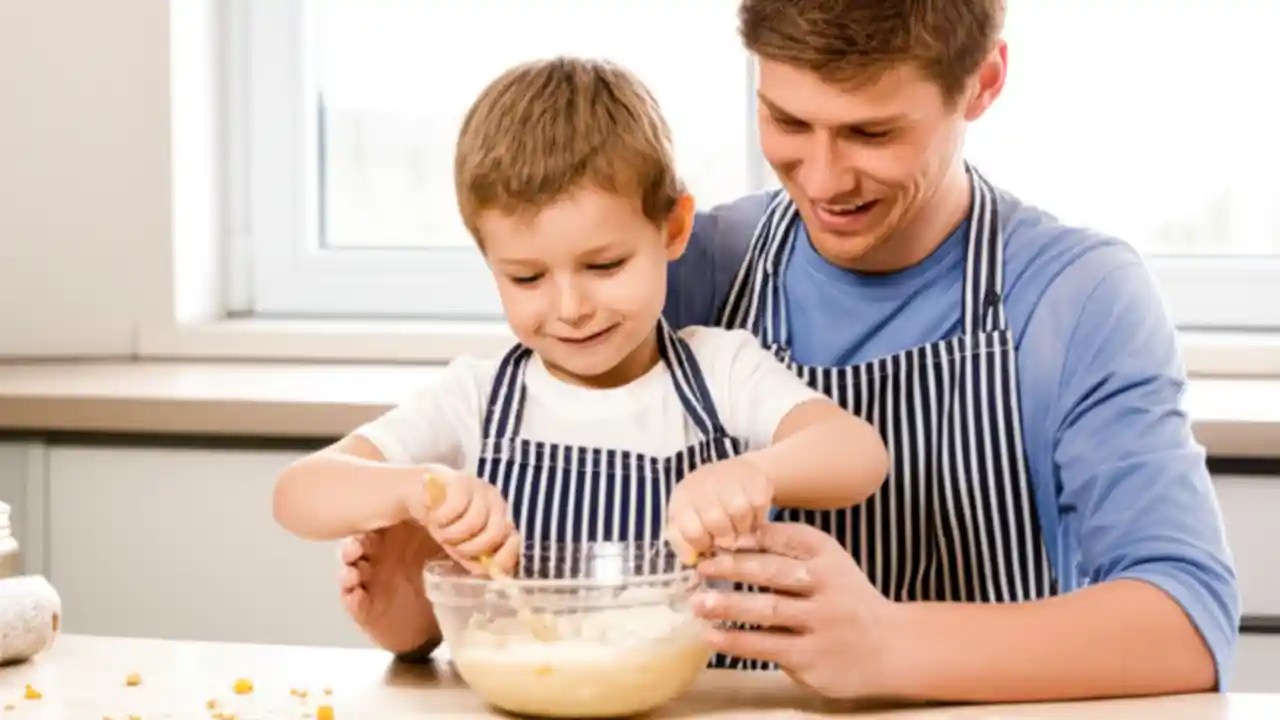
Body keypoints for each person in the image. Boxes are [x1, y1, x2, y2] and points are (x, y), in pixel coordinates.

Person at [339, 0, 1240, 702]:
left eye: (872, 133)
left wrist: (887, 643)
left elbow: (1186, 628)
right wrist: (420, 580)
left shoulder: (1076, 298)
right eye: (787, 120)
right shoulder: (680, 272)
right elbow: (529, 562)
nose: (822, 176)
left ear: (983, 83)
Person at [279, 56, 890, 664]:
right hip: (529, 696)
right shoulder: (476, 397)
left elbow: (858, 454)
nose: (570, 308)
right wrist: (416, 491)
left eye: (604, 267)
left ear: (673, 228)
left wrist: (757, 474)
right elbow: (298, 494)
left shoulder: (721, 370)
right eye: (526, 277)